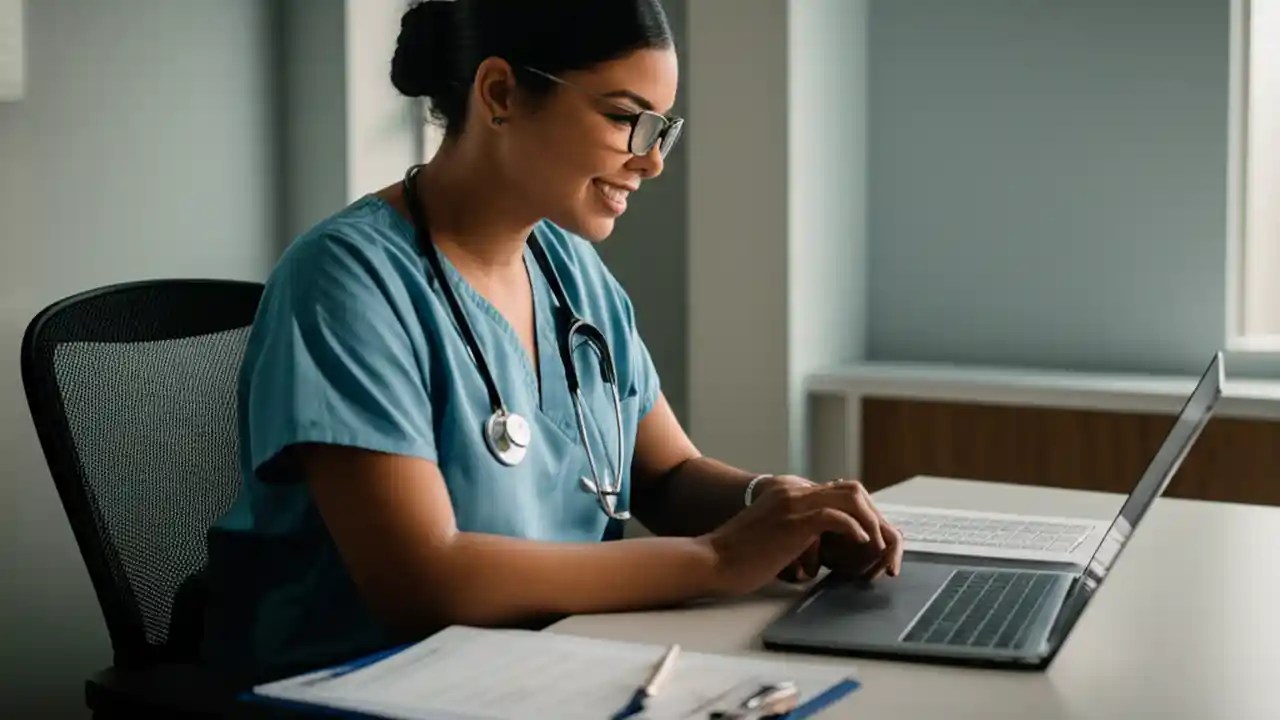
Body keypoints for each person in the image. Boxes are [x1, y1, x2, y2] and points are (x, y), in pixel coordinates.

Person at [202, 0, 903, 684]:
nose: (651, 160)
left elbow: (665, 475)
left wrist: (779, 506)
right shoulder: (346, 279)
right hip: (359, 682)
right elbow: (422, 580)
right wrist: (720, 560)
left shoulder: (569, 269)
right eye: (626, 118)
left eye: (660, 128)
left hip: (549, 662)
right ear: (500, 92)